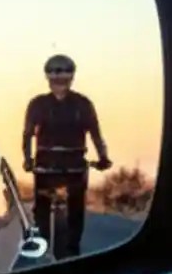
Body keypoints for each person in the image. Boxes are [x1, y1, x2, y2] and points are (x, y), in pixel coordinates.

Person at [21, 53, 112, 259]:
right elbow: (96, 135)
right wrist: (103, 159)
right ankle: (72, 251)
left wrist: (27, 160)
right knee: (76, 210)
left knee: (42, 208)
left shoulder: (37, 103)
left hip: (45, 167)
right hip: (75, 168)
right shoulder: (84, 103)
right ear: (72, 78)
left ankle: (41, 247)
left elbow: (27, 135)